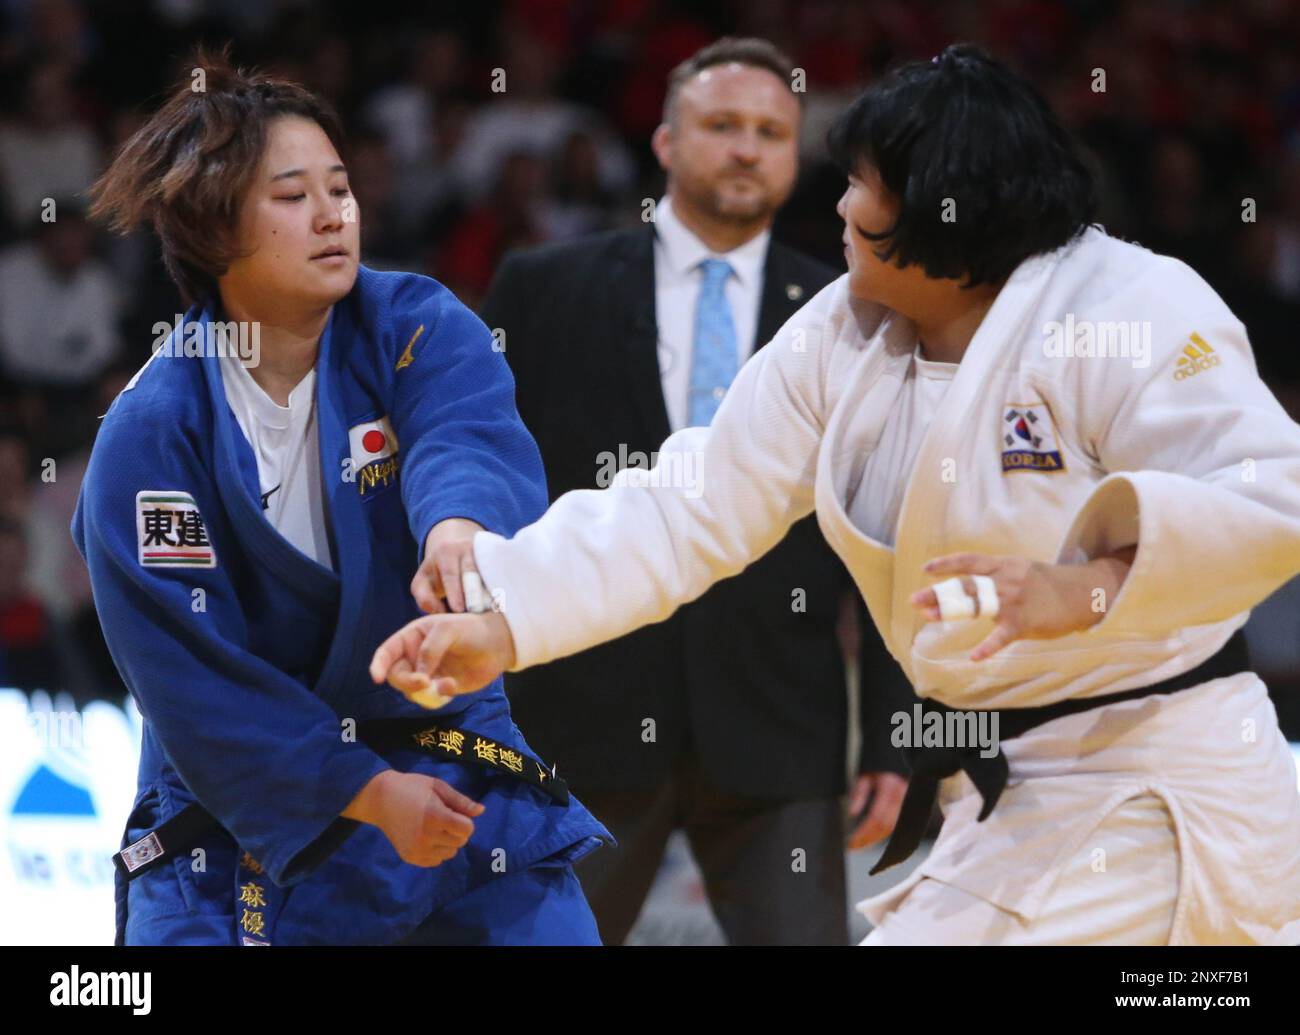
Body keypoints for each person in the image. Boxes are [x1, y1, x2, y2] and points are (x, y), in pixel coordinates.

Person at [370, 44, 1300, 945]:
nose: (842, 205)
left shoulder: (1127, 306)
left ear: (941, 212)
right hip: (1005, 785)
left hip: (1154, 775)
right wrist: (504, 616)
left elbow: (1273, 495)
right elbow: (694, 502)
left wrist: (1076, 589)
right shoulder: (846, 329)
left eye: (863, 185)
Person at [73, 47, 609, 946]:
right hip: (244, 802)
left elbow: (465, 433)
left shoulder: (416, 324)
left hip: (449, 764)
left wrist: (458, 531)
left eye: (340, 188)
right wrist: (363, 791)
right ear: (213, 229)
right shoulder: (153, 431)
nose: (333, 216)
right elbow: (192, 680)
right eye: (292, 197)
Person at [479, 37, 910, 947]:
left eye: (771, 132)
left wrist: (892, 735)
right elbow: (488, 478)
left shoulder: (854, 312)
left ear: (797, 156)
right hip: (577, 720)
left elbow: (885, 531)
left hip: (780, 725)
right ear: (667, 142)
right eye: (721, 125)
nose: (746, 148)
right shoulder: (544, 288)